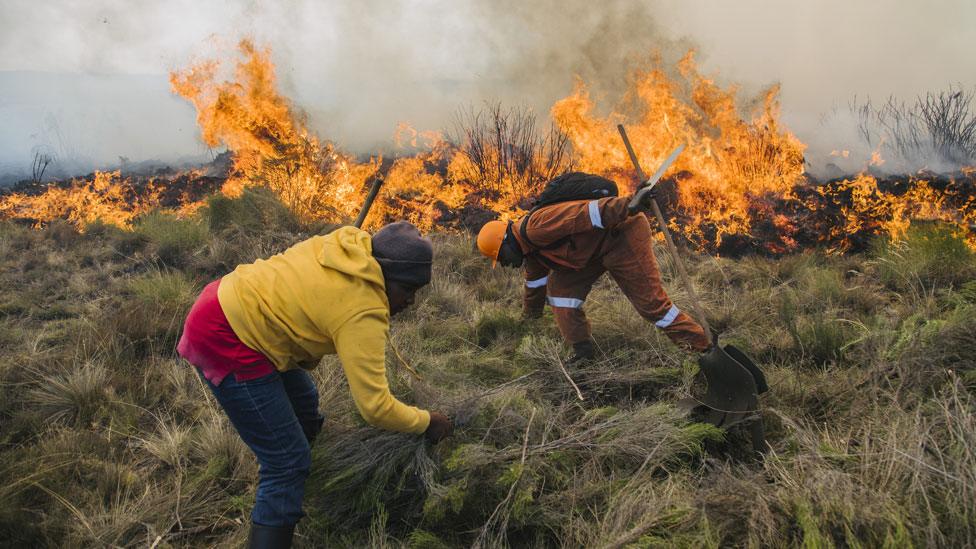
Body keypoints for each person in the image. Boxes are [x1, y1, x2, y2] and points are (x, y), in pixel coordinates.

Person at [177, 221, 454, 549]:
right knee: (287, 463)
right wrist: (427, 422)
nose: (410, 301)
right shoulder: (362, 310)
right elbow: (375, 407)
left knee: (305, 403)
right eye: (407, 289)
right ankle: (284, 495)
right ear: (386, 274)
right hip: (226, 335)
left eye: (417, 291)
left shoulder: (348, 247)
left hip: (232, 299)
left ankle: (307, 489)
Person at [476, 173, 711, 363]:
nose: (505, 263)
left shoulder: (536, 227)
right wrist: (529, 319)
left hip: (621, 233)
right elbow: (534, 286)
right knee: (560, 292)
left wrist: (630, 205)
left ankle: (704, 348)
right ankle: (583, 353)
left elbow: (587, 213)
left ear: (506, 242)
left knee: (652, 306)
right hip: (593, 252)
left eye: (501, 257)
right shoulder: (532, 252)